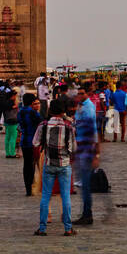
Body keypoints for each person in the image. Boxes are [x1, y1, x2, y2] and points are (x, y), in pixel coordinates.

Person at [33, 101, 76, 236]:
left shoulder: (43, 125)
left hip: (49, 163)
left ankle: (42, 227)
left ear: (50, 111)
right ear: (63, 111)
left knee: (46, 196)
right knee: (65, 197)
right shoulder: (69, 126)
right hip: (64, 164)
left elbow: (35, 143)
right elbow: (73, 148)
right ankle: (68, 228)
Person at [73, 86, 99, 225]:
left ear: (87, 94)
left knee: (85, 185)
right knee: (84, 185)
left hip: (86, 148)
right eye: (78, 93)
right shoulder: (81, 106)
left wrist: (95, 152)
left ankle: (87, 214)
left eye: (82, 93)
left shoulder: (87, 108)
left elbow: (92, 129)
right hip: (82, 147)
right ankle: (86, 212)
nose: (79, 95)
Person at [17, 93, 43, 196]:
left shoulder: (20, 112)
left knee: (26, 165)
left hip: (24, 140)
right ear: (32, 102)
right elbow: (40, 124)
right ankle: (33, 186)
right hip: (33, 141)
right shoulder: (33, 113)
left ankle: (28, 187)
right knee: (34, 164)